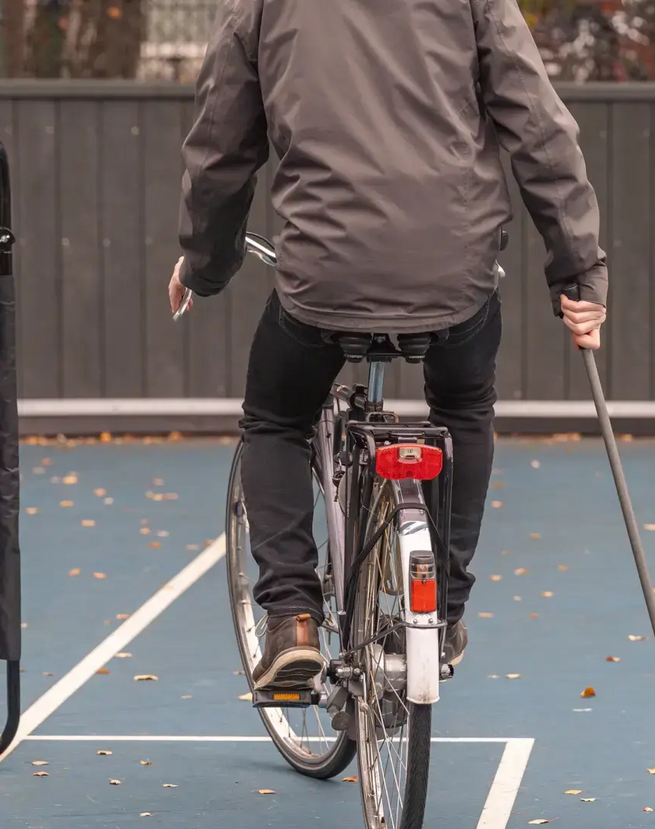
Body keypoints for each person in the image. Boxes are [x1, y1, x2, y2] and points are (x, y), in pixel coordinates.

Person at [168, 0, 608, 696]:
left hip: (323, 277)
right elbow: (539, 128)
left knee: (276, 420)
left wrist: (206, 263)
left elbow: (222, 147)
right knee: (464, 408)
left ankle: (291, 620)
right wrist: (578, 273)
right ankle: (444, 614)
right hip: (454, 278)